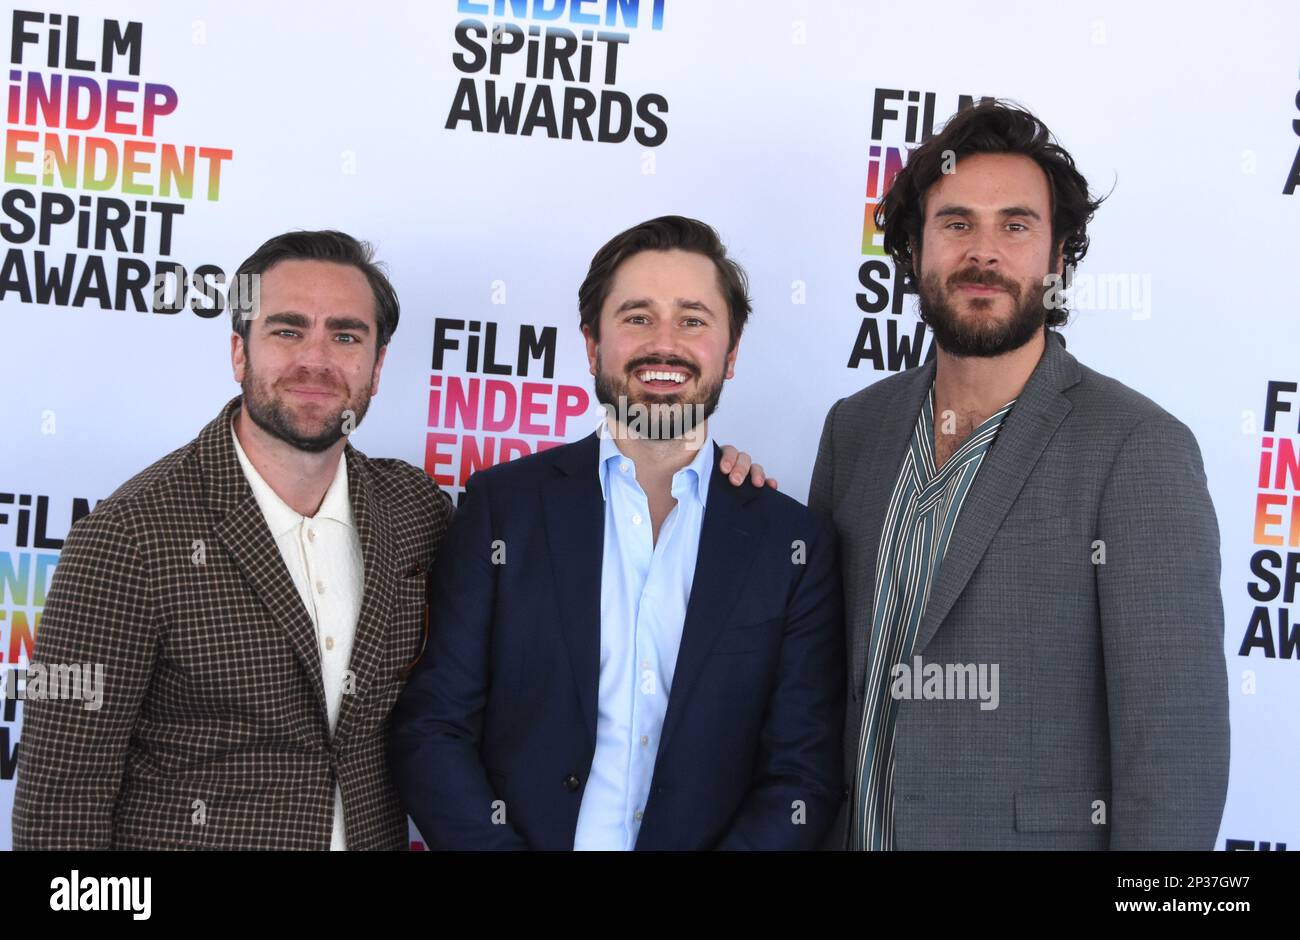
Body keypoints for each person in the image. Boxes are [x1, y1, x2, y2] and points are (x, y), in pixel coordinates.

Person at [810, 102, 1229, 850]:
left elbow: (1176, 752)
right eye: (956, 223)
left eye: (1016, 225)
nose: (984, 253)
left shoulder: (1138, 448)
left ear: (1058, 256)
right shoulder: (856, 429)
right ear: (912, 248)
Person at [391, 216, 844, 850]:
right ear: (591, 345)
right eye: (636, 317)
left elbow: (801, 776)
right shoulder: (504, 508)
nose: (665, 344)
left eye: (693, 319)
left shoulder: (792, 545)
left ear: (731, 353)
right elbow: (434, 728)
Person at [13, 230, 454, 849]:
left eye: (346, 336)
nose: (317, 360)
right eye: (287, 330)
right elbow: (59, 809)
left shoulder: (416, 511)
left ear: (377, 367)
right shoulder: (128, 537)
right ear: (240, 353)